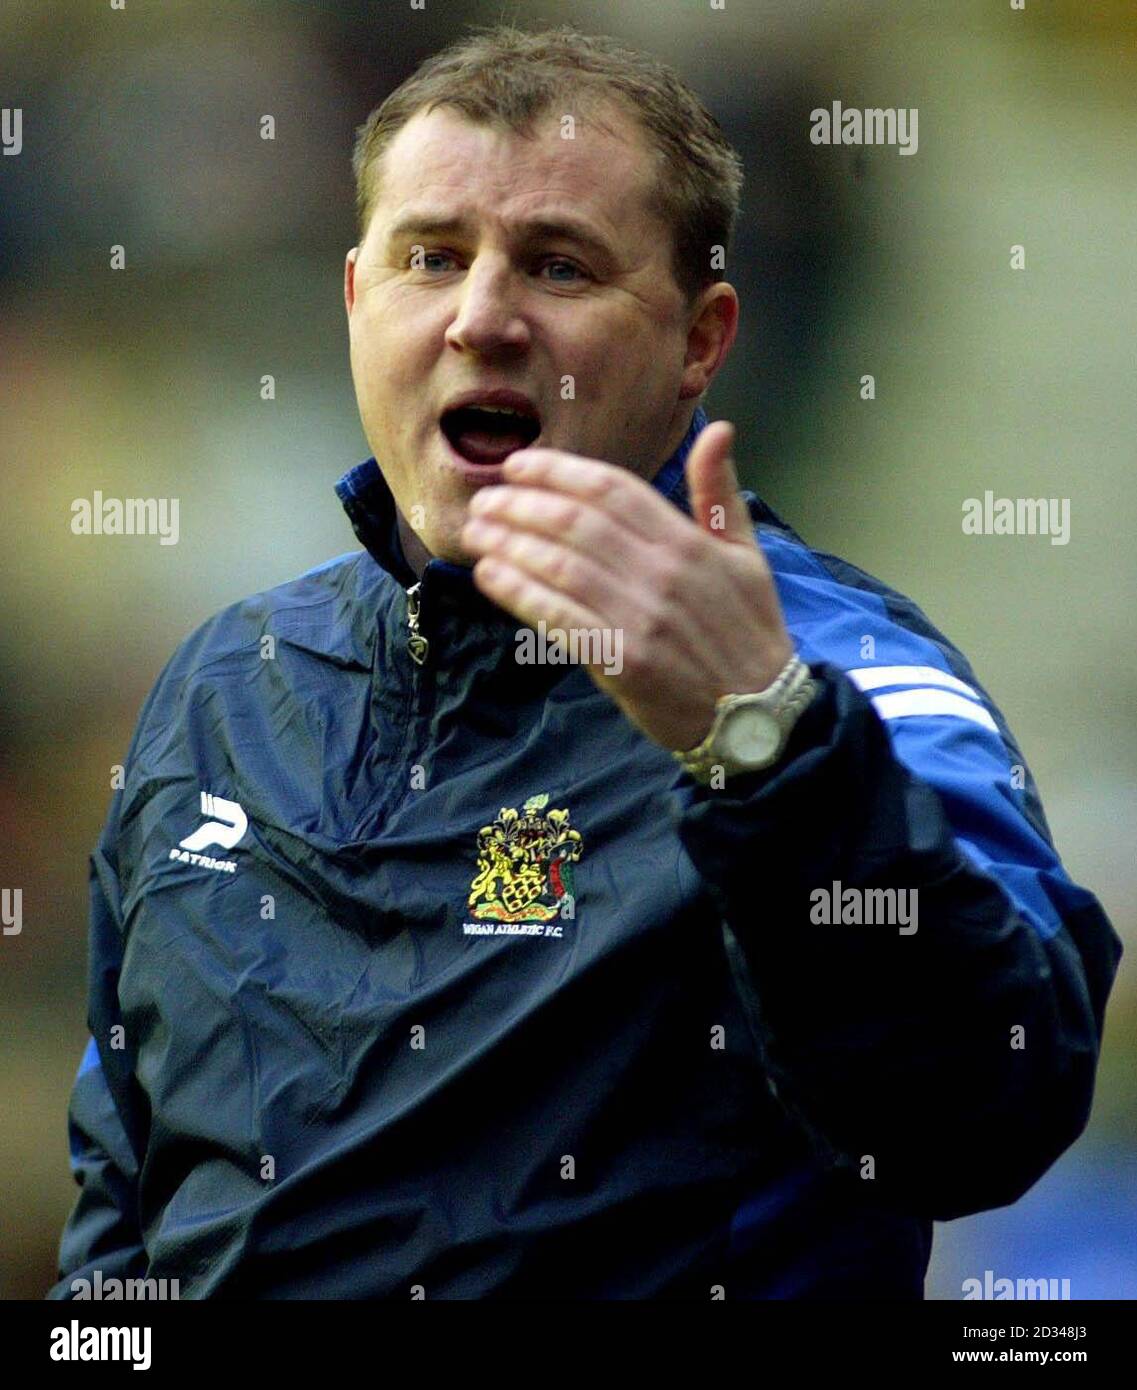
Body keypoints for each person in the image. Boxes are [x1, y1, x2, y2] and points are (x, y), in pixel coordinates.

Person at [49, 24, 1120, 1300]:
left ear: (700, 341)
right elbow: (122, 1207)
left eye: (558, 268)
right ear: (354, 300)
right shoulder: (225, 685)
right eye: (429, 257)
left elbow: (988, 1102)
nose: (482, 318)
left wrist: (766, 747)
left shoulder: (845, 683)